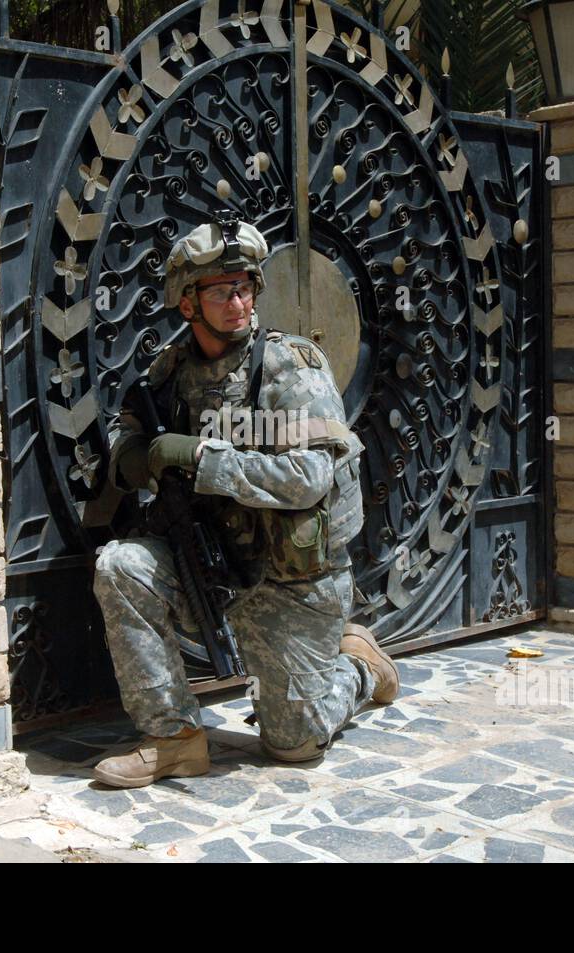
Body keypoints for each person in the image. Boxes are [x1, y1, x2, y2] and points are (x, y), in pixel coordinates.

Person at [90, 216, 399, 788]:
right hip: (210, 563)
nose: (239, 302)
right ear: (188, 304)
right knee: (121, 565)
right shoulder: (172, 369)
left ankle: (357, 664)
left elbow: (308, 477)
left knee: (293, 743)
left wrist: (199, 459)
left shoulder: (290, 366)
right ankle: (174, 738)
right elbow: (125, 429)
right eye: (221, 290)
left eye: (246, 287)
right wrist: (139, 455)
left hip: (294, 583)